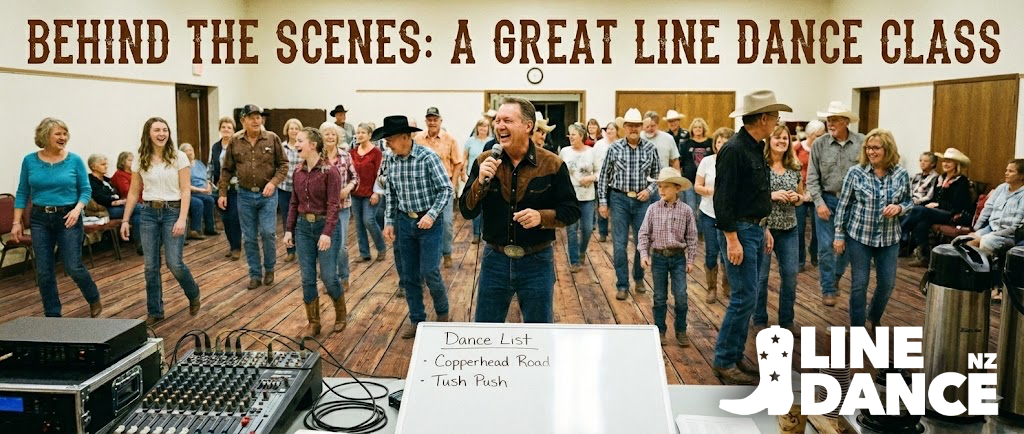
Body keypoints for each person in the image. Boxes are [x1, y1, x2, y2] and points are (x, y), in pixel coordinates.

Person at [461, 97, 580, 323]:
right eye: (497, 121)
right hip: (495, 260)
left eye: (507, 120)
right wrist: (480, 182)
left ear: (528, 126)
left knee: (539, 333)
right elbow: (467, 211)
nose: (499, 126)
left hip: (537, 262)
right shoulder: (485, 161)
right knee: (486, 331)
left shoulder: (552, 164)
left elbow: (572, 211)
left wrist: (541, 217)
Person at [712, 90, 791, 385]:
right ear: (764, 118)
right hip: (741, 231)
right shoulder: (734, 149)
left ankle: (732, 355)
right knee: (744, 296)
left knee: (749, 296)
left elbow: (754, 195)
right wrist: (732, 239)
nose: (777, 123)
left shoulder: (755, 147)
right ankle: (723, 360)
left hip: (755, 228)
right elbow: (724, 199)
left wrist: (765, 226)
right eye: (775, 117)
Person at [13, 118, 102, 318]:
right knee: (44, 271)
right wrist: (16, 222)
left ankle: (93, 296)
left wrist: (77, 209)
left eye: (65, 133)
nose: (63, 138)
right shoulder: (29, 160)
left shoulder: (75, 160)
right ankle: (53, 315)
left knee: (73, 266)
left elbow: (85, 190)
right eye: (58, 134)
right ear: (45, 136)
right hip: (39, 219)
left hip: (68, 216)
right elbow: (21, 192)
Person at [120, 117, 201, 325]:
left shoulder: (179, 157)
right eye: (157, 130)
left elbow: (185, 190)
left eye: (165, 130)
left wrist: (183, 218)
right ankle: (155, 310)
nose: (162, 133)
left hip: (173, 211)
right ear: (148, 133)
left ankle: (193, 293)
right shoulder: (140, 158)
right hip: (148, 212)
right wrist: (125, 220)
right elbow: (133, 192)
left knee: (174, 262)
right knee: (150, 266)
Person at [378, 115, 453, 339]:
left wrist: (431, 215)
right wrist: (389, 222)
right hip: (404, 222)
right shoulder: (390, 160)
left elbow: (446, 189)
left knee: (429, 271)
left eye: (389, 139)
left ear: (404, 137)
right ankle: (417, 319)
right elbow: (390, 193)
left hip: (429, 222)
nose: (387, 144)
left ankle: (442, 313)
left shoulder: (427, 157)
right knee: (408, 274)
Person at [833, 129, 910, 334]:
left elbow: (909, 201)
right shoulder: (856, 172)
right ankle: (858, 327)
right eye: (868, 147)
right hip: (860, 236)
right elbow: (844, 205)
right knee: (860, 283)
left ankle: (874, 316)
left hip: (889, 238)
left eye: (876, 148)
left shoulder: (901, 174)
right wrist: (839, 235)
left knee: (887, 283)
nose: (871, 152)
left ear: (888, 149)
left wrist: (900, 208)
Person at [282, 127, 345, 337]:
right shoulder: (298, 171)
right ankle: (314, 323)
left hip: (324, 227)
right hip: (302, 228)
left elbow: (334, 205)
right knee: (307, 278)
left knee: (328, 276)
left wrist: (327, 232)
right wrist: (288, 230)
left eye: (300, 141)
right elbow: (293, 202)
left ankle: (341, 314)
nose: (296, 144)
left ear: (313, 145)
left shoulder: (330, 171)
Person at [218, 104, 288, 290]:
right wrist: (222, 192)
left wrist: (273, 183)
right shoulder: (235, 141)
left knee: (268, 233)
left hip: (268, 195)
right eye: (252, 117)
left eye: (259, 117)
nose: (257, 121)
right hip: (245, 195)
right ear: (243, 121)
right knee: (249, 237)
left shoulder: (272, 138)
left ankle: (270, 268)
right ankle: (255, 274)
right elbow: (226, 169)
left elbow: (283, 165)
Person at [598, 108, 662, 300]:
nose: (633, 128)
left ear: (641, 127)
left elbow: (658, 176)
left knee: (642, 243)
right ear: (624, 127)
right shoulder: (614, 149)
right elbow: (603, 177)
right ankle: (622, 284)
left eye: (637, 125)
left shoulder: (651, 149)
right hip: (619, 200)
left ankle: (639, 277)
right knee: (619, 245)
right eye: (630, 125)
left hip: (643, 201)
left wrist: (649, 191)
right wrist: (603, 203)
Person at [806, 101, 864, 307]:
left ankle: (837, 275)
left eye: (835, 120)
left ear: (846, 122)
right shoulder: (819, 145)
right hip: (828, 200)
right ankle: (828, 288)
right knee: (825, 247)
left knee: (847, 246)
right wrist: (819, 203)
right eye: (828, 120)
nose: (830, 124)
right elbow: (812, 178)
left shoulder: (862, 143)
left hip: (854, 203)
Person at [753, 125, 804, 337]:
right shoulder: (761, 165)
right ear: (769, 141)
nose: (782, 141)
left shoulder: (795, 166)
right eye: (777, 138)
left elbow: (802, 196)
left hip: (789, 228)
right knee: (762, 277)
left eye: (785, 138)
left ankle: (787, 319)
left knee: (790, 274)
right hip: (765, 227)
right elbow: (753, 196)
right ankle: (758, 318)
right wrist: (772, 196)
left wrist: (797, 198)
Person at [638, 167, 697, 346]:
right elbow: (644, 234)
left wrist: (691, 259)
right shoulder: (653, 209)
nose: (661, 190)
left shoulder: (686, 210)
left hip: (678, 257)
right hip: (659, 258)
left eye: (666, 187)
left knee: (680, 296)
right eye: (660, 187)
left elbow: (692, 236)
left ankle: (681, 330)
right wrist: (644, 254)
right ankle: (660, 330)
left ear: (677, 188)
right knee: (659, 296)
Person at [903, 148, 973, 267]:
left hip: (952, 214)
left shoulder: (961, 181)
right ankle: (924, 256)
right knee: (922, 222)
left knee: (919, 210)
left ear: (957, 164)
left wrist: (938, 205)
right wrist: (931, 204)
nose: (945, 164)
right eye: (944, 161)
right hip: (936, 212)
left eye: (949, 162)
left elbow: (958, 205)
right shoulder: (941, 178)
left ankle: (902, 231)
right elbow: (934, 199)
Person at [413, 107, 464, 268]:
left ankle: (447, 252)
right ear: (426, 121)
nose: (432, 122)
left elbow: (458, 163)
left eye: (435, 119)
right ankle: (428, 256)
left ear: (441, 121)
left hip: (444, 187)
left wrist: (453, 184)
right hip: (423, 188)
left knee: (447, 222)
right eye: (429, 119)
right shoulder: (418, 139)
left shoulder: (450, 140)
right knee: (424, 222)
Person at [694, 127, 734, 304]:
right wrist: (712, 191)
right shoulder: (707, 162)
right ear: (715, 144)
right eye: (719, 141)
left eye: (726, 142)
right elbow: (697, 186)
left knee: (727, 253)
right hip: (709, 213)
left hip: (729, 214)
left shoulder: (736, 162)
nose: (722, 145)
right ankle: (711, 287)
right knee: (711, 252)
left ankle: (728, 284)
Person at [321, 122, 359, 290]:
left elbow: (355, 178)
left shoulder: (345, 156)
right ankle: (329, 279)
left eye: (333, 134)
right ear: (321, 137)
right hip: (321, 208)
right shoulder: (317, 158)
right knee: (324, 245)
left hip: (342, 207)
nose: (330, 137)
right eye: (327, 134)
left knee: (342, 245)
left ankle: (344, 276)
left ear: (338, 138)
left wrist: (348, 188)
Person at [559, 123, 599, 273]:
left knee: (587, 228)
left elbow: (600, 171)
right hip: (570, 197)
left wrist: (591, 177)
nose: (570, 137)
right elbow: (559, 170)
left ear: (581, 136)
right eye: (569, 134)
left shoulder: (591, 152)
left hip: (587, 196)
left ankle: (582, 251)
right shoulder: (564, 152)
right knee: (571, 229)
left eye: (573, 134)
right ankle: (574, 260)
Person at [966, 159, 1024, 257]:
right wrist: (976, 229)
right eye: (1006, 170)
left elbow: (1016, 227)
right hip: (991, 228)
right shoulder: (1001, 188)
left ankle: (987, 270)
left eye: (1011, 171)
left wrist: (992, 235)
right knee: (968, 239)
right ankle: (970, 269)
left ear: (1022, 176)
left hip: (1010, 235)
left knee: (986, 241)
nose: (1006, 173)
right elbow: (987, 209)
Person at [351, 123, 387, 262]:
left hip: (371, 193)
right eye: (358, 132)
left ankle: (381, 247)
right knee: (359, 223)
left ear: (370, 135)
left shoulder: (376, 152)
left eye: (363, 132)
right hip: (356, 193)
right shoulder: (352, 152)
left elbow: (380, 173)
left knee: (369, 220)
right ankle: (364, 252)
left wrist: (377, 193)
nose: (359, 135)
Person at [88, 153, 143, 245]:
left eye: (106, 164)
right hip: (105, 210)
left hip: (117, 206)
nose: (106, 166)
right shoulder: (91, 181)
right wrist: (114, 201)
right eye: (103, 164)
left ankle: (140, 244)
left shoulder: (106, 180)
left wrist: (120, 200)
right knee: (140, 208)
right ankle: (140, 242)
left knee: (138, 215)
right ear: (93, 166)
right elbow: (99, 197)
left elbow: (116, 194)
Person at [210, 117, 242, 260]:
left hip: (235, 187)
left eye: (229, 127)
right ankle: (231, 245)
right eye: (224, 127)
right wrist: (207, 180)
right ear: (220, 129)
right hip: (220, 188)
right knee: (226, 219)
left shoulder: (237, 145)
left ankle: (237, 247)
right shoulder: (216, 147)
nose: (226, 130)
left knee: (234, 217)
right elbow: (211, 164)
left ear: (233, 130)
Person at [795, 120, 824, 270]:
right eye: (817, 135)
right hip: (800, 191)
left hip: (816, 193)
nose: (819, 138)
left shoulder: (823, 149)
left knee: (817, 227)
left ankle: (814, 253)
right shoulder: (798, 148)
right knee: (799, 229)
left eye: (821, 135)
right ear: (809, 134)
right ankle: (800, 260)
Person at [179, 143, 217, 240]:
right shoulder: (183, 166)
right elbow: (185, 185)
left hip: (204, 191)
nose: (189, 153)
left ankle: (210, 228)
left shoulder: (199, 163)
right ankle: (195, 230)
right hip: (191, 192)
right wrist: (202, 190)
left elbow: (207, 177)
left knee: (214, 199)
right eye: (186, 151)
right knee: (199, 202)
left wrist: (208, 186)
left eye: (190, 150)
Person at [464, 118, 493, 244]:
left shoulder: (491, 142)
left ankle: (486, 232)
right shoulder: (470, 141)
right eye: (480, 127)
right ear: (477, 128)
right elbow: (464, 157)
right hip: (474, 175)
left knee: (486, 207)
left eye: (485, 127)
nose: (483, 129)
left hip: (489, 177)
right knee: (474, 204)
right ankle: (476, 234)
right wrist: (463, 172)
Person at [278, 118, 303, 262]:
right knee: (287, 220)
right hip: (284, 188)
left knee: (300, 220)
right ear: (287, 131)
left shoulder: (302, 147)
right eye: (291, 128)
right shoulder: (282, 147)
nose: (293, 131)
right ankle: (290, 250)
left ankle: (302, 249)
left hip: (300, 189)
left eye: (296, 128)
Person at [592, 120, 620, 242]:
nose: (609, 131)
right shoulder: (599, 144)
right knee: (602, 206)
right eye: (608, 129)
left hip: (615, 182)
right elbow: (594, 160)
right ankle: (603, 233)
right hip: (601, 180)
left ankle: (616, 233)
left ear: (617, 132)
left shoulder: (620, 144)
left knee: (616, 210)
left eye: (612, 129)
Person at [680, 118, 712, 219]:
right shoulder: (686, 144)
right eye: (695, 127)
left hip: (705, 183)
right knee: (691, 207)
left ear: (703, 129)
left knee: (702, 207)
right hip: (689, 181)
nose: (697, 129)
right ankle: (692, 232)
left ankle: (702, 232)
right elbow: (682, 161)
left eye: (699, 127)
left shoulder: (710, 143)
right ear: (691, 129)